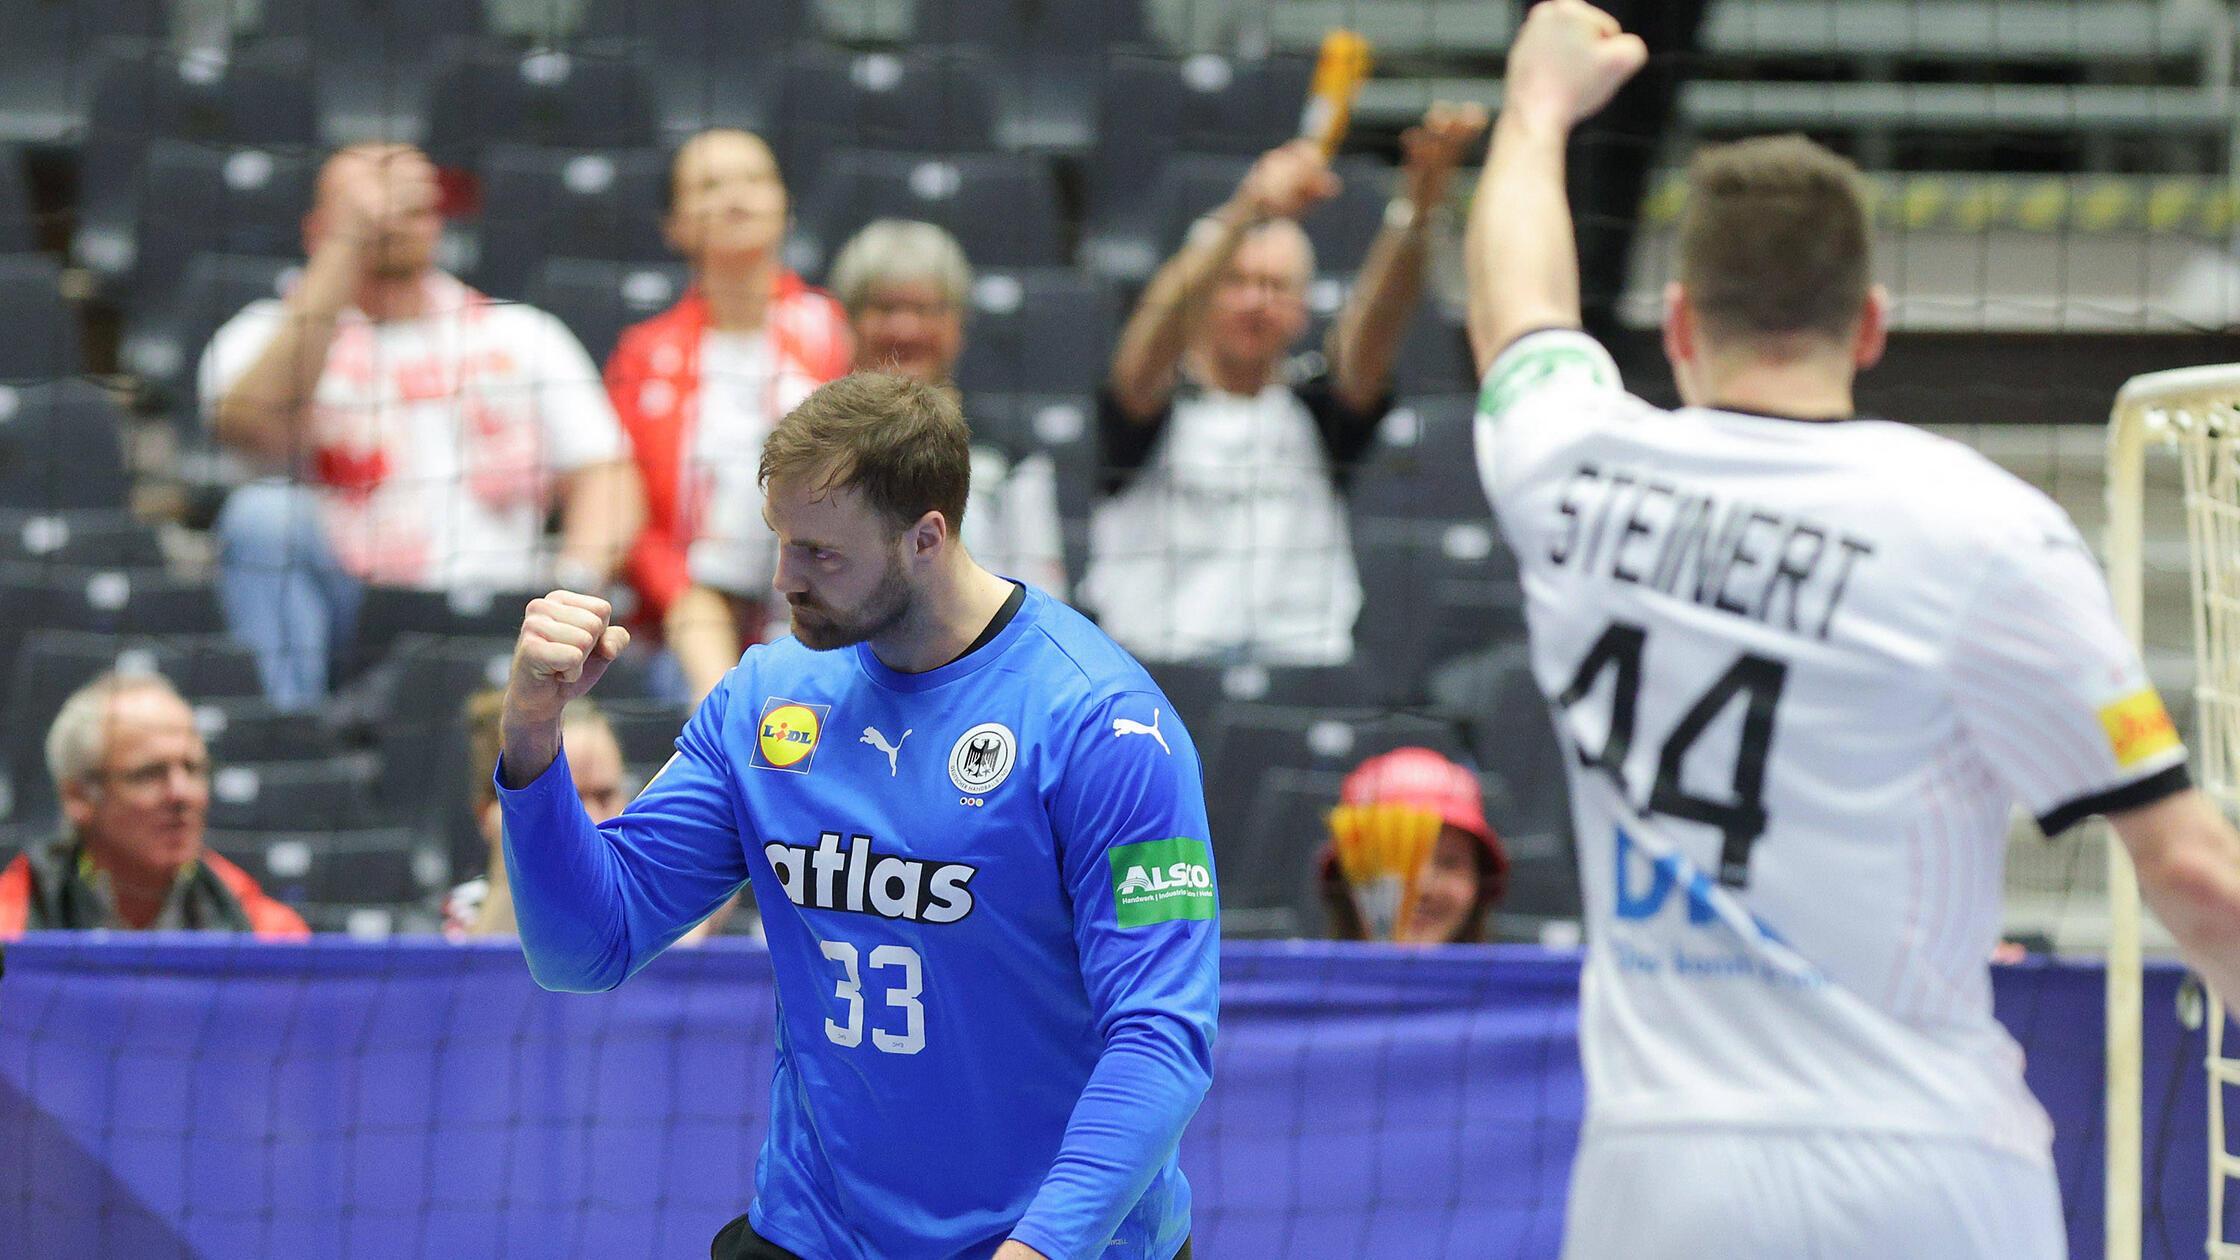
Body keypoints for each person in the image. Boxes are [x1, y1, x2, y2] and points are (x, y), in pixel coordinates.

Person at [1466, 4, 2240, 1257]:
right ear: (1869, 322)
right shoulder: (1982, 533)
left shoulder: (1576, 475)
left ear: (1676, 324)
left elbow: (1518, 318)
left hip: (1658, 1184)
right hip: (1921, 1170)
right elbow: (2196, 880)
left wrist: (1533, 110)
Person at [495, 374, 1218, 1260]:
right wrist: (532, 736)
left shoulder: (1106, 726)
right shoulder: (768, 698)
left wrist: (1039, 1251)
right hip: (815, 1237)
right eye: (779, 542)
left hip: (1053, 1245)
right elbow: (585, 948)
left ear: (926, 539)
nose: (782, 579)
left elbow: (1161, 1038)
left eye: (820, 554)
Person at [202, 143, 643, 712]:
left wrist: (572, 586)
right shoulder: (263, 331)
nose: (385, 214)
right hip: (352, 618)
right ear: (317, 230)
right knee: (262, 516)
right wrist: (346, 248)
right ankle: (291, 734)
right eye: (361, 204)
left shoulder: (521, 333)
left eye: (408, 202)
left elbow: (608, 475)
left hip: (507, 610)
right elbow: (248, 424)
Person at [1083, 104, 1486, 666]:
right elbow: (1153, 334)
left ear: (1302, 309)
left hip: (1302, 669)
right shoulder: (1147, 402)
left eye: (1276, 287)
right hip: (1159, 674)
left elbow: (1373, 333)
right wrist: (1248, 210)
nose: (1256, 302)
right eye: (1238, 282)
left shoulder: (1316, 409)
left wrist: (1416, 211)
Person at [669, 218, 1069, 700]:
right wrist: (721, 701)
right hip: (804, 700)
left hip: (968, 700)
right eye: (884, 307)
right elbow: (709, 597)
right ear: (847, 320)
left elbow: (1041, 612)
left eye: (925, 309)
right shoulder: (791, 445)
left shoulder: (1011, 452)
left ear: (959, 324)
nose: (905, 328)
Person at [605, 128, 852, 696]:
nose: (734, 196)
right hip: (685, 624)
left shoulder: (838, 332)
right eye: (709, 185)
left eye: (753, 179)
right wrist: (688, 609)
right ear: (676, 225)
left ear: (785, 206)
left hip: (831, 606)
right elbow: (633, 519)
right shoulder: (642, 353)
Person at [0, 672, 309, 938]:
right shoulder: (9, 930)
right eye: (148, 774)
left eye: (193, 769)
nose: (181, 794)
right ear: (78, 797)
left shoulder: (269, 936)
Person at [444, 689, 628, 939]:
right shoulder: (467, 907)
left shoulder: (653, 888)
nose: (594, 819)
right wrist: (512, 858)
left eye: (605, 796)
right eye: (571, 801)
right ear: (490, 814)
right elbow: (473, 977)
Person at [1318, 746, 1508, 945]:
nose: (1420, 885)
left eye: (1449, 863)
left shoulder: (1526, 977)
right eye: (1393, 857)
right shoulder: (1289, 976)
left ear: (1479, 883)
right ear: (1343, 878)